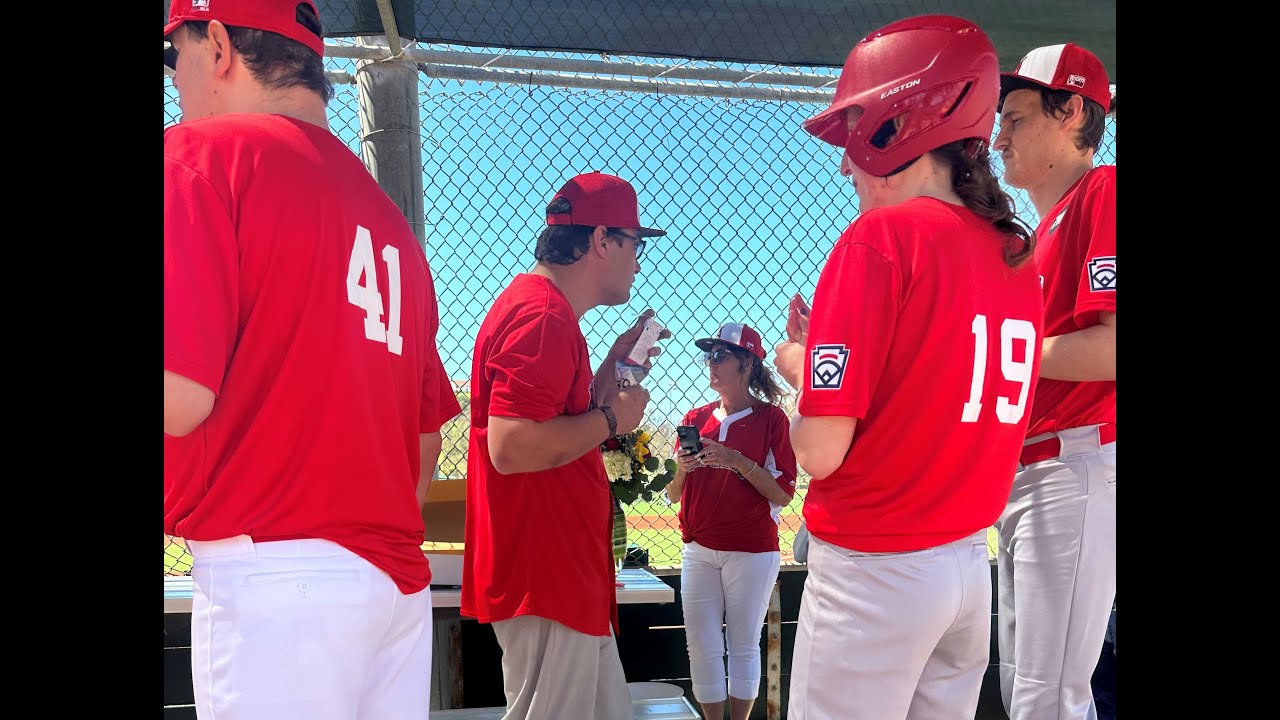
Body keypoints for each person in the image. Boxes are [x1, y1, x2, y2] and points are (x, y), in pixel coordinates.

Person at [163, 1, 461, 718]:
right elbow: (425, 448)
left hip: (272, 579)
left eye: (177, 57)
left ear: (222, 46)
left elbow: (179, 396)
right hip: (393, 589)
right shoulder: (390, 225)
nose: (177, 82)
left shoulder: (199, 156)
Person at [771, 15, 1045, 720]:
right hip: (963, 570)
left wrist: (800, 366)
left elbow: (820, 451)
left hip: (875, 570)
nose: (844, 165)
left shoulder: (880, 239)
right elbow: (924, 384)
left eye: (859, 129)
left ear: (902, 121)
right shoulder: (1015, 258)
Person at [461, 171, 670, 720]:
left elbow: (551, 424)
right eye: (635, 242)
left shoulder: (549, 313)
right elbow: (512, 447)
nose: (638, 258)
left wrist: (610, 371)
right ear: (601, 241)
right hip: (546, 576)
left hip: (564, 578)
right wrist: (610, 417)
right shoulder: (541, 314)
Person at [992, 41, 1117, 720]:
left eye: (1015, 117)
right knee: (1023, 690)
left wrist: (998, 352)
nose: (998, 135)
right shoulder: (1037, 231)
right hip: (1029, 473)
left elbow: (1112, 351)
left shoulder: (1105, 191)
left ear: (1070, 111)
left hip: (1076, 461)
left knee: (1048, 699)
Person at [663, 323, 797, 720]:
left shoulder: (772, 419)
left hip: (751, 548)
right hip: (699, 548)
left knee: (742, 644)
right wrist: (684, 469)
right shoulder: (694, 417)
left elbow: (784, 494)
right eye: (709, 355)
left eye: (721, 355)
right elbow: (672, 494)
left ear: (747, 364)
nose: (711, 363)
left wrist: (736, 461)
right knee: (701, 644)